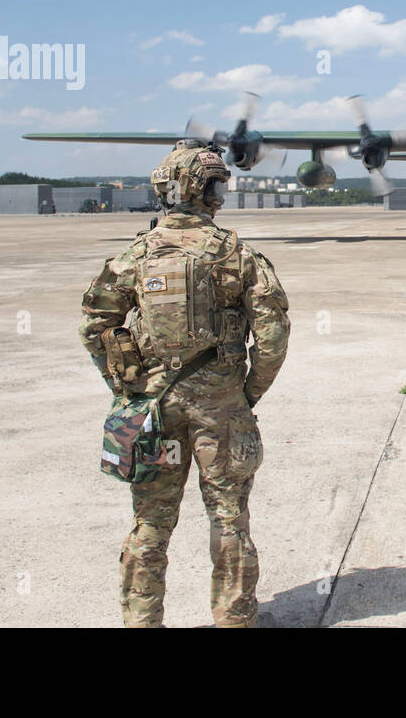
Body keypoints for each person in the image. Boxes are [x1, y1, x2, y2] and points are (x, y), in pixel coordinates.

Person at [79, 141, 290, 628]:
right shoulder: (236, 255)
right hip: (220, 413)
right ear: (207, 191)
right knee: (229, 519)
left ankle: (141, 621)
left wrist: (126, 385)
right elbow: (272, 338)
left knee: (151, 523)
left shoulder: (135, 255)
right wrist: (246, 393)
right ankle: (234, 620)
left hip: (152, 412)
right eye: (219, 185)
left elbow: (94, 326)